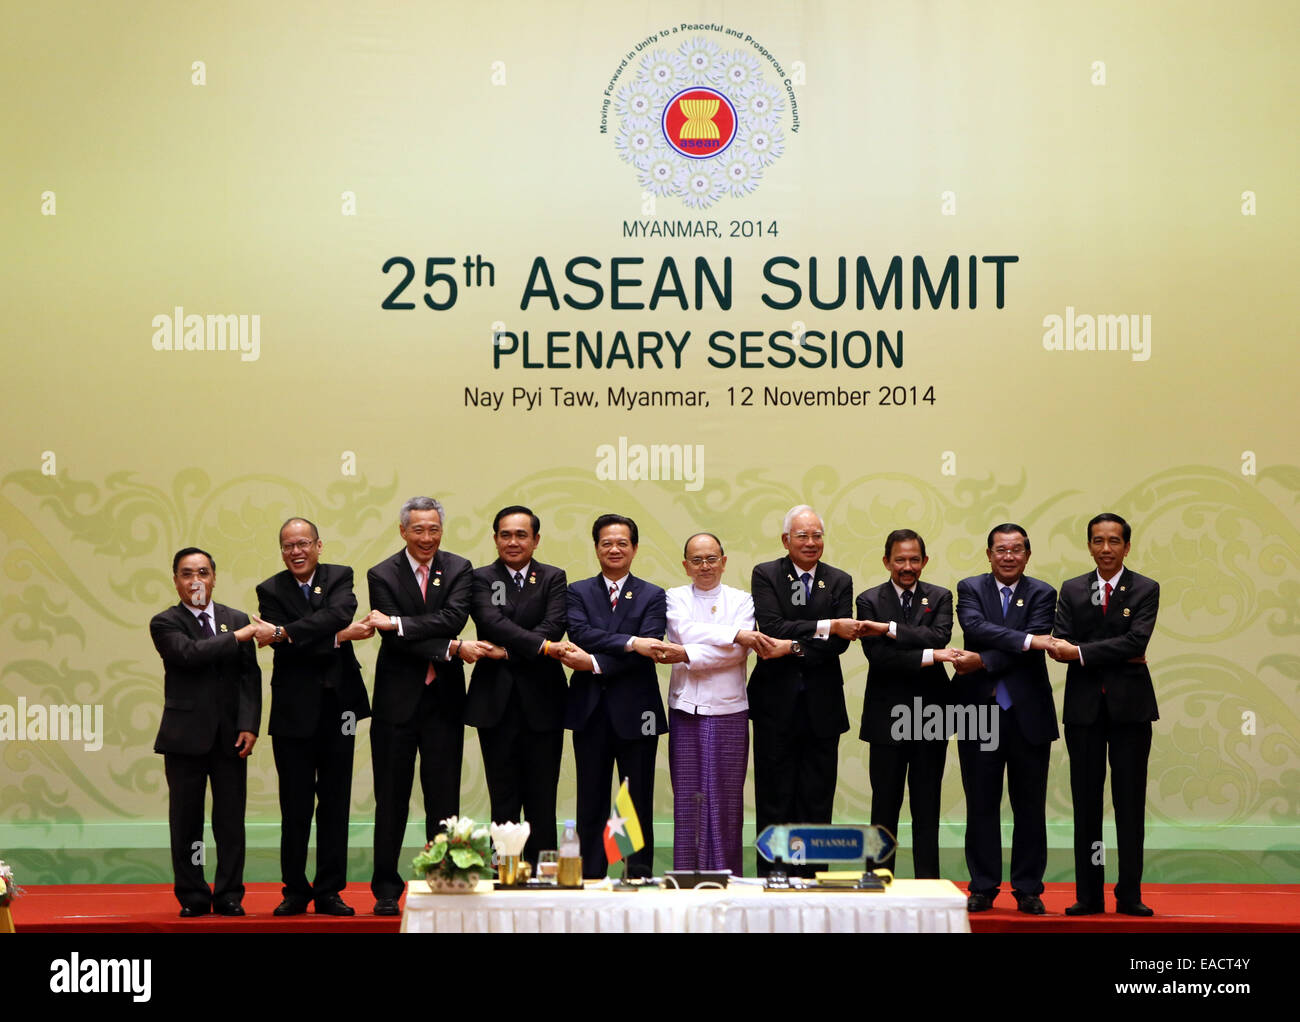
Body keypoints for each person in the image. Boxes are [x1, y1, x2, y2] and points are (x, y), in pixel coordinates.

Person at [255, 517, 373, 916]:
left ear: (319, 546)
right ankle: (295, 890)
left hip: (339, 708)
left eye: (303, 543)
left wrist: (285, 632)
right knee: (295, 804)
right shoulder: (269, 589)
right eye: (288, 546)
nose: (296, 552)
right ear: (282, 551)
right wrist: (337, 638)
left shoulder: (340, 576)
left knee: (336, 803)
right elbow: (289, 650)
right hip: (292, 711)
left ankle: (329, 890)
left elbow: (338, 614)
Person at [363, 496, 473, 915]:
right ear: (403, 531)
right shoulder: (382, 573)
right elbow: (393, 640)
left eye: (434, 529)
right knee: (391, 798)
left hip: (443, 701)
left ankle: (446, 880)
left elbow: (454, 617)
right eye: (418, 529)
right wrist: (450, 647)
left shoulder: (459, 568)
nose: (427, 537)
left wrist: (401, 623)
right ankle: (386, 890)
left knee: (445, 799)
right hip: (396, 704)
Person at [1051, 513, 1160, 917]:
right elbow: (1060, 642)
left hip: (1131, 710)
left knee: (1130, 804)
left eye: (1115, 541)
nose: (1106, 548)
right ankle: (1090, 895)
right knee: (1087, 805)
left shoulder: (1146, 588)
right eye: (1098, 541)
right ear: (1089, 545)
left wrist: (1082, 652)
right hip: (1084, 711)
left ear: (1127, 547)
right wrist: (1119, 652)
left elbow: (1137, 639)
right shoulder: (1073, 589)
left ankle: (1129, 894)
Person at [951, 524, 1058, 914]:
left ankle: (1028, 888)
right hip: (979, 711)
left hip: (1028, 714)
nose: (1008, 556)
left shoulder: (1043, 593)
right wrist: (1025, 639)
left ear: (1027, 555)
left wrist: (983, 658)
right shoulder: (970, 588)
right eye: (1001, 549)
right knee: (981, 803)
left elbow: (1032, 646)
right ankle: (982, 886)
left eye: (1016, 549)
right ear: (989, 554)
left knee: (1030, 805)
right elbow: (974, 628)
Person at [654, 533, 775, 875]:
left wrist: (690, 652)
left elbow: (738, 653)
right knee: (689, 799)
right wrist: (734, 634)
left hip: (729, 710)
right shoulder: (674, 597)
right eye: (697, 560)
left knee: (725, 798)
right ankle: (687, 875)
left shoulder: (742, 600)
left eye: (711, 559)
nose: (705, 566)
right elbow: (683, 630)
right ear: (685, 566)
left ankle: (727, 874)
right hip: (685, 709)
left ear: (724, 561)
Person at [150, 547, 261, 917]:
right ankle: (193, 895)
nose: (195, 580)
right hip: (184, 738)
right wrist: (239, 637)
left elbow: (250, 677)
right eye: (187, 574)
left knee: (230, 821)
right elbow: (189, 654)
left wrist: (249, 724)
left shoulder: (235, 617)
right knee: (187, 822)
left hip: (231, 737)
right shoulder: (165, 622)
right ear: (176, 580)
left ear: (214, 577)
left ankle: (229, 893)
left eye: (202, 572)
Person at [748, 505, 858, 877]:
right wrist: (828, 625)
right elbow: (774, 625)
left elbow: (840, 644)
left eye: (817, 536)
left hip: (822, 707)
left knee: (816, 798)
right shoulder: (766, 574)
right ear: (786, 540)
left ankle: (812, 877)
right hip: (773, 706)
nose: (811, 543)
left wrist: (793, 646)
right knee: (774, 797)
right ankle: (773, 875)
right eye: (803, 536)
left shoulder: (840, 580)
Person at [560, 513, 667, 879]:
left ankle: (637, 874)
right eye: (607, 542)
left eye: (622, 542)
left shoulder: (653, 595)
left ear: (634, 548)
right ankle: (591, 875)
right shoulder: (576, 591)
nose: (614, 549)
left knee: (637, 803)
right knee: (591, 799)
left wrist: (592, 663)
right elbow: (580, 632)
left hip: (638, 712)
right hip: (590, 711)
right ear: (596, 548)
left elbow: (648, 650)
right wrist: (631, 642)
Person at [464, 505, 568, 866]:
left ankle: (546, 873)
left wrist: (507, 652)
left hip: (545, 701)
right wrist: (538, 646)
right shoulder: (479, 579)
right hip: (495, 703)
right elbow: (490, 622)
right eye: (505, 534)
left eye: (521, 534)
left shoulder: (554, 577)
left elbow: (554, 627)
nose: (513, 541)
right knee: (503, 796)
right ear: (495, 538)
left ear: (535, 540)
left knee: (543, 796)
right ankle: (505, 871)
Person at [856, 529, 957, 879]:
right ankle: (876, 880)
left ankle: (928, 882)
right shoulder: (867, 600)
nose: (907, 566)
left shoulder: (941, 597)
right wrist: (932, 655)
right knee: (884, 804)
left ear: (925, 561)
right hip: (886, 717)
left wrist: (889, 629)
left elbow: (939, 635)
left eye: (915, 559)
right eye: (900, 559)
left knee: (927, 806)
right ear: (887, 562)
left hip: (932, 714)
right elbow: (880, 658)